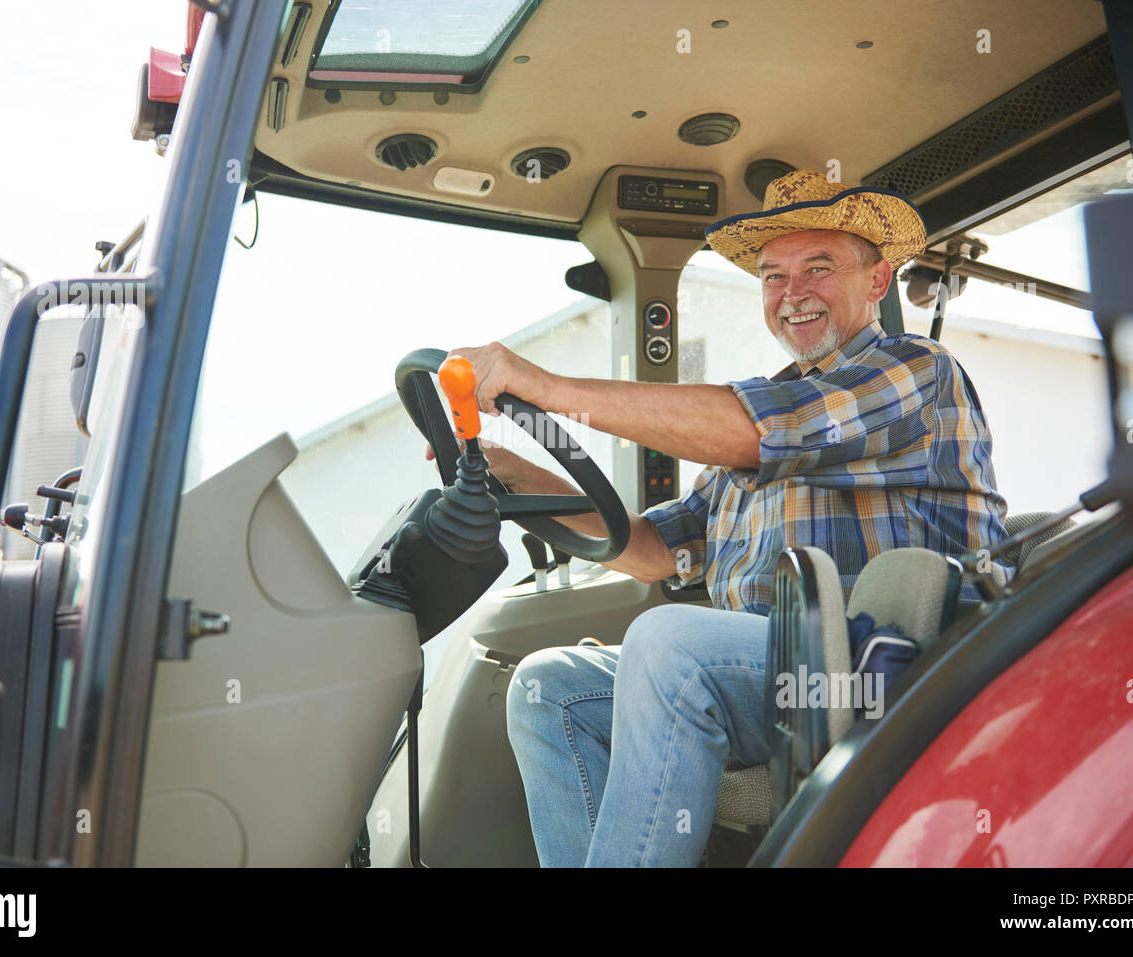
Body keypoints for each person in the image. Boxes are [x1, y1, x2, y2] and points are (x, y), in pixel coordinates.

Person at [433, 169, 1010, 866]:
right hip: (767, 669)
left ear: (878, 279)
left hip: (882, 670)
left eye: (818, 267)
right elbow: (652, 548)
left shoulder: (913, 371)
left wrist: (545, 387)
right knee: (546, 685)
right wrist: (517, 473)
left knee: (668, 643)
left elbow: (761, 431)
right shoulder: (760, 414)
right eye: (773, 276)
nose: (792, 294)